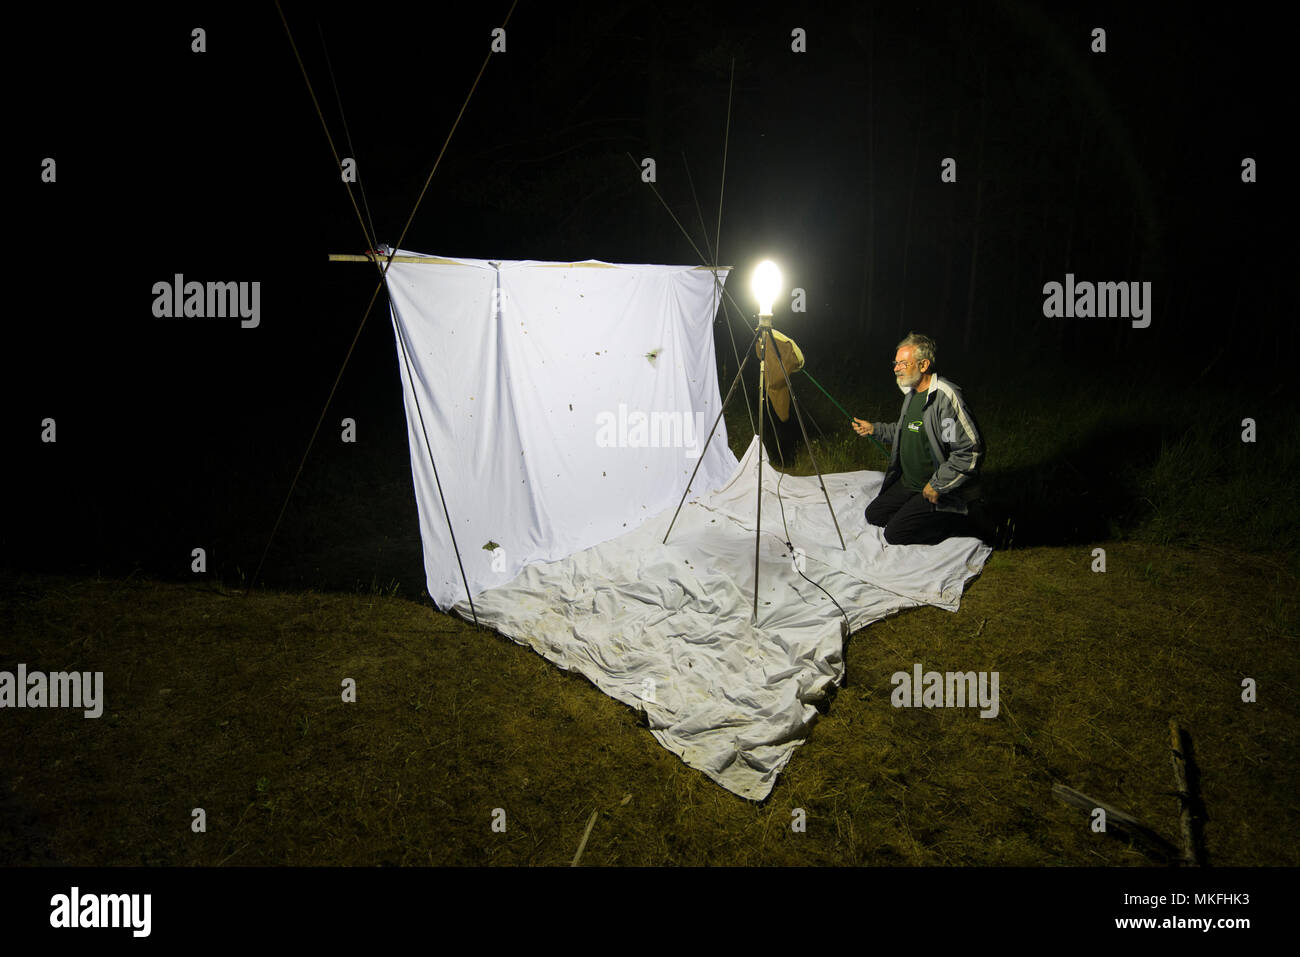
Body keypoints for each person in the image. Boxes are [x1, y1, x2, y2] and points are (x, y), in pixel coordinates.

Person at [852, 333, 987, 545]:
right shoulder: (912, 394)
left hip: (934, 488)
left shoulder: (944, 397)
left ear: (923, 365)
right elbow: (907, 429)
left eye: (903, 363)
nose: (896, 368)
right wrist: (874, 429)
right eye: (895, 363)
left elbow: (969, 450)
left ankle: (959, 521)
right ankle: (916, 517)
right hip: (910, 483)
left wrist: (937, 484)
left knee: (894, 534)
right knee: (874, 515)